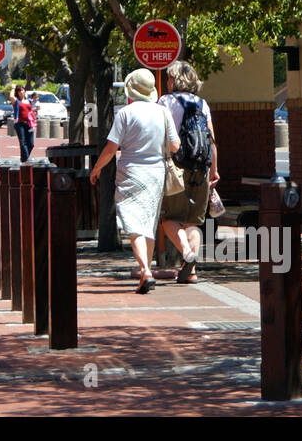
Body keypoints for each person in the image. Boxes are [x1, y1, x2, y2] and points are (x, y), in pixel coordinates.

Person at [90, 69, 179, 293]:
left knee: (133, 221)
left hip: (131, 171)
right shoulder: (163, 112)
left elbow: (111, 148)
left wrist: (97, 169)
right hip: (156, 172)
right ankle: (145, 271)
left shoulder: (125, 113)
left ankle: (145, 271)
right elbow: (175, 146)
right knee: (148, 221)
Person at [158, 61, 220, 283]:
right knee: (193, 221)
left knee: (169, 218)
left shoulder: (165, 102)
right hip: (201, 169)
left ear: (175, 80)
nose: (167, 82)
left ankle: (186, 252)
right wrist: (214, 170)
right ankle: (191, 271)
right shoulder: (202, 104)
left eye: (168, 78)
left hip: (177, 168)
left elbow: (161, 136)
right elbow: (212, 141)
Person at [10, 85, 36, 163]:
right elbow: (11, 96)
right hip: (20, 124)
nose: (21, 92)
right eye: (19, 91)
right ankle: (26, 160)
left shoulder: (29, 101)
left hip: (29, 123)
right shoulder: (16, 101)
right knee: (23, 142)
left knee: (31, 144)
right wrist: (13, 88)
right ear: (17, 93)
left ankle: (24, 158)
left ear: (24, 91)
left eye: (22, 90)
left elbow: (32, 110)